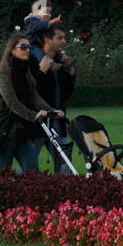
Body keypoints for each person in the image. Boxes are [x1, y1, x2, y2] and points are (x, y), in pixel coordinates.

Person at [0, 33, 63, 173]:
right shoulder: (3, 73)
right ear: (12, 50)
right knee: (2, 173)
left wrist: (51, 111)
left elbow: (34, 97)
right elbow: (11, 102)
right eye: (23, 47)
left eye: (29, 47)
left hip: (22, 130)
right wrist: (33, 115)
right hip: (4, 131)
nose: (27, 50)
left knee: (32, 170)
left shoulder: (24, 72)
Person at [29, 26, 77, 174]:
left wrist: (70, 73)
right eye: (59, 38)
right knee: (28, 167)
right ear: (47, 40)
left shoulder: (59, 63)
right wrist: (42, 71)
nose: (64, 41)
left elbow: (65, 95)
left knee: (65, 167)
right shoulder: (32, 61)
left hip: (57, 122)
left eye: (64, 38)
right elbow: (30, 92)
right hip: (38, 124)